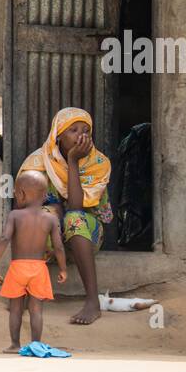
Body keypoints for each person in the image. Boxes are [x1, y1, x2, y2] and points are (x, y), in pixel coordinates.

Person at [18, 107, 113, 326]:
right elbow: (20, 205)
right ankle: (26, 291)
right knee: (41, 216)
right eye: (74, 130)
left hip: (86, 236)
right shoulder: (38, 162)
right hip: (50, 239)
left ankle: (92, 302)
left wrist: (72, 161)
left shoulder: (98, 163)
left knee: (74, 218)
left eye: (86, 131)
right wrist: (52, 209)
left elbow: (77, 206)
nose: (81, 135)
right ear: (58, 135)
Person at [0, 172, 68, 353]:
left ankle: (15, 344)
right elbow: (59, 247)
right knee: (36, 310)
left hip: (18, 268)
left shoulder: (15, 215)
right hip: (39, 269)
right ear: (44, 196)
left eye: (16, 193)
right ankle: (35, 344)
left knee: (15, 309)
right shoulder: (51, 218)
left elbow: (4, 238)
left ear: (22, 194)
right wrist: (63, 268)